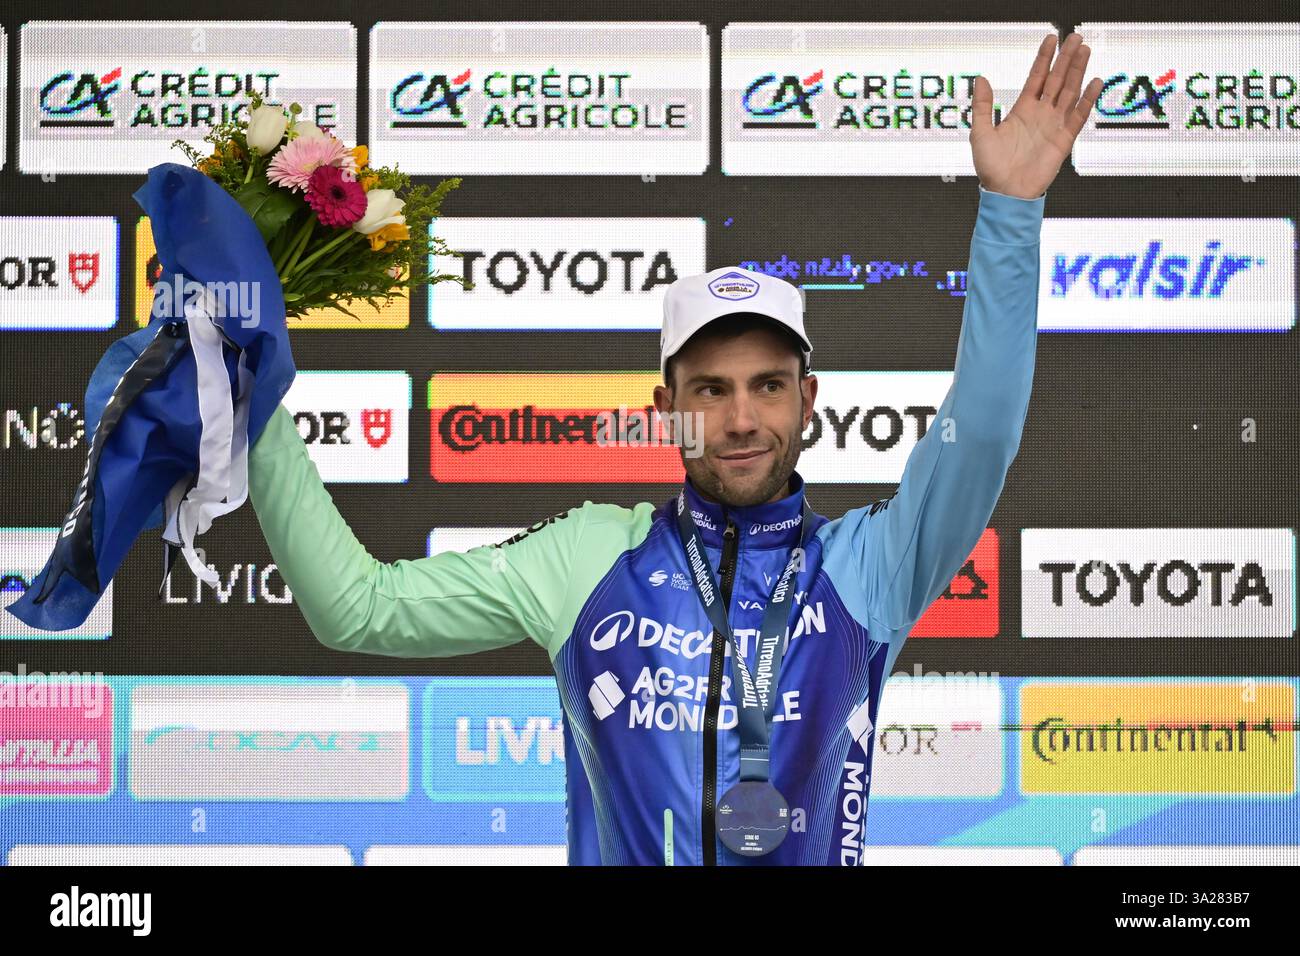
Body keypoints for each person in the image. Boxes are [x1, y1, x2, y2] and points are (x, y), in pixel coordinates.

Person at [247, 32, 1100, 864]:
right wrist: (251, 389)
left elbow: (981, 429)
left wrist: (1011, 216)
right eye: (711, 389)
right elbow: (356, 608)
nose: (739, 420)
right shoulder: (586, 555)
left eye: (768, 386)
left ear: (808, 401)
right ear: (668, 408)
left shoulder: (869, 565)